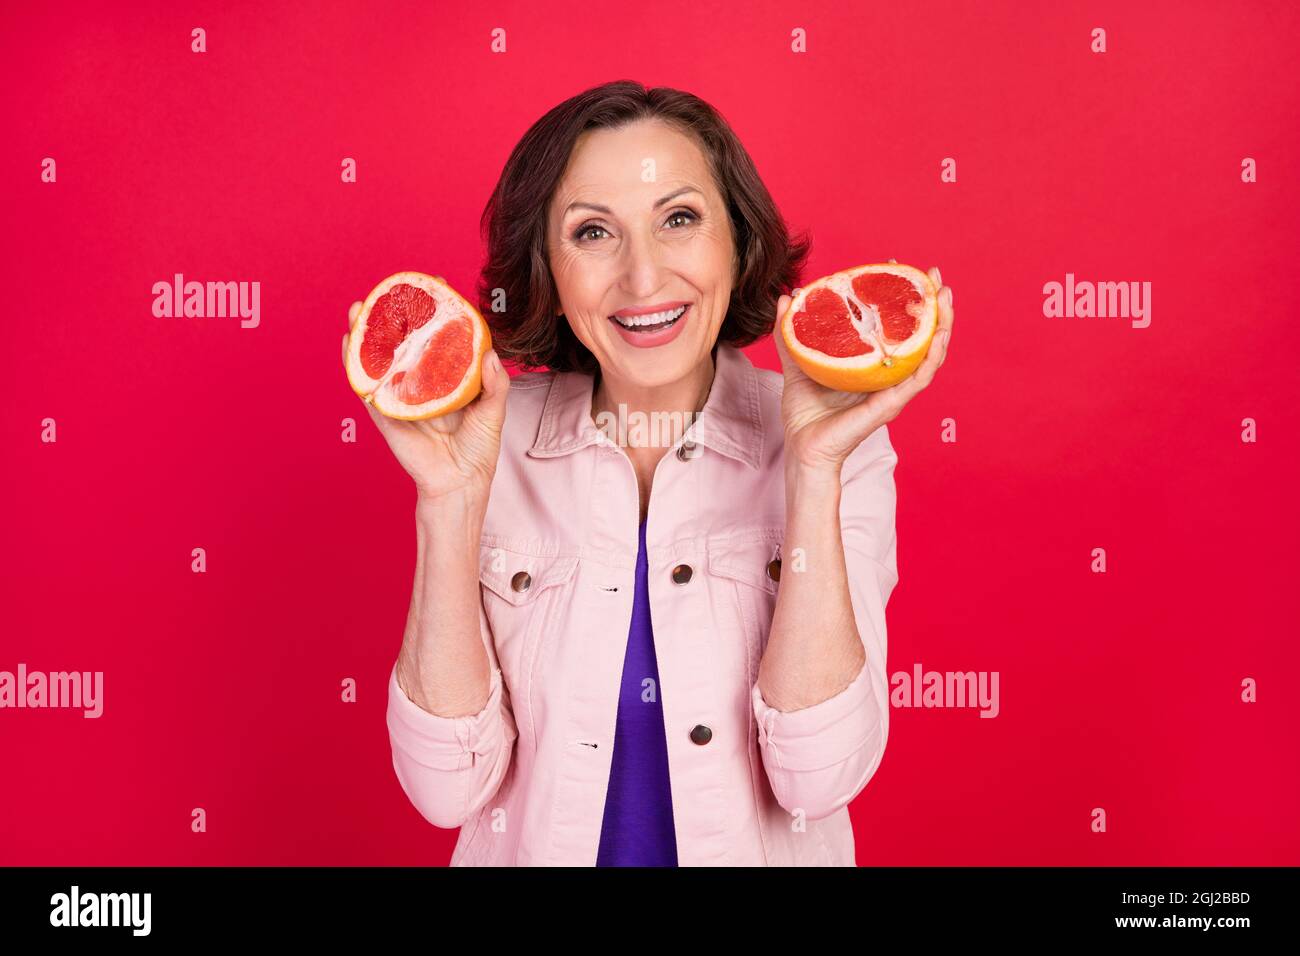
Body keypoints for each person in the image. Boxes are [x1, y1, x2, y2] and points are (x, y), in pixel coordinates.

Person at [341, 80, 954, 866]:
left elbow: (818, 775)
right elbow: (445, 791)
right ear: (549, 271)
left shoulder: (840, 446)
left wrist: (814, 468)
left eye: (680, 219)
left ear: (737, 240)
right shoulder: (489, 443)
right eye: (594, 233)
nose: (642, 279)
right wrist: (450, 501)